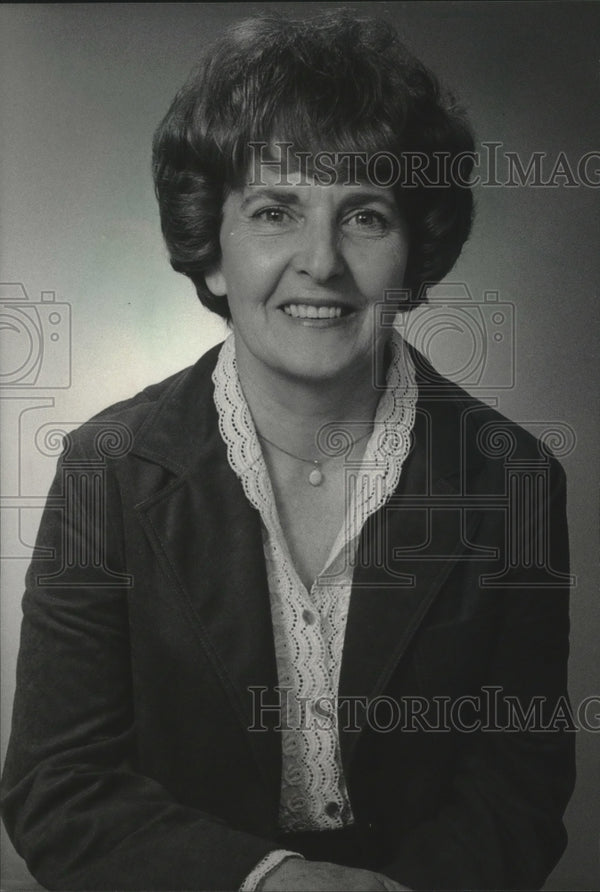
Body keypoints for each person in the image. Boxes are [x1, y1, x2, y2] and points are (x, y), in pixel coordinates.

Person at [1, 11, 574, 892]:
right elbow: (58, 784)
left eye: (365, 216)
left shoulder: (515, 480)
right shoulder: (103, 470)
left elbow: (519, 786)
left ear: (416, 253)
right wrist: (270, 882)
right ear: (213, 246)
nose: (321, 262)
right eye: (276, 211)